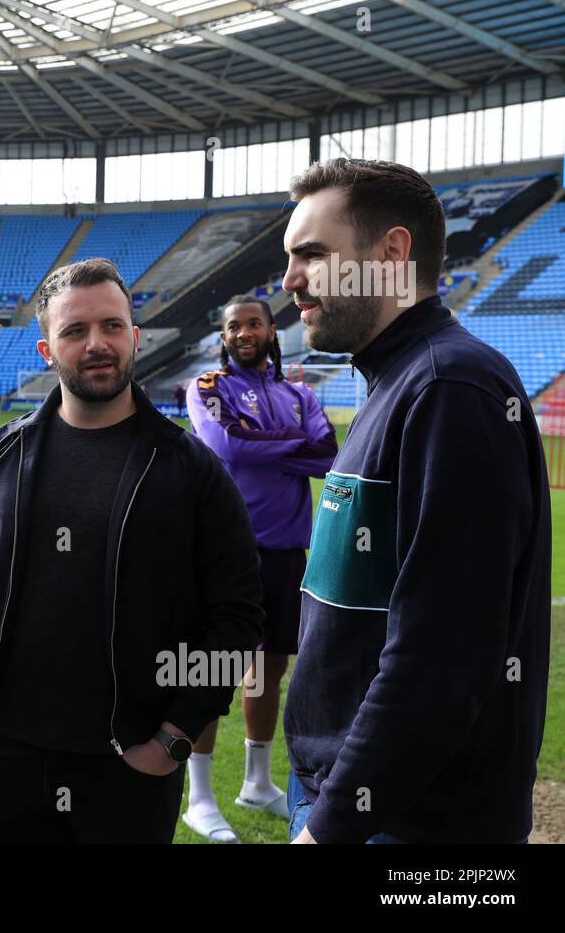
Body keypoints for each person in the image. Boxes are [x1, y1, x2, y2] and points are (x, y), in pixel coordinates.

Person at [0, 257, 264, 844]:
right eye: (74, 331)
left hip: (129, 765)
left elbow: (237, 615)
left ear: (135, 338)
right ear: (46, 350)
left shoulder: (190, 469)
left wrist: (173, 740)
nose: (97, 344)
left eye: (112, 326)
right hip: (1, 760)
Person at [281, 158, 551, 844]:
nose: (290, 281)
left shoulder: (448, 389)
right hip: (349, 799)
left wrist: (332, 824)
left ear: (392, 254)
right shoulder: (399, 381)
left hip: (404, 825)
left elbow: (439, 659)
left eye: (312, 254)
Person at [182, 296, 337, 843]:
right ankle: (198, 798)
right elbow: (229, 442)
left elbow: (329, 455)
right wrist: (286, 447)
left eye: (253, 323)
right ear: (222, 338)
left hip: (285, 554)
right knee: (216, 667)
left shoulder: (299, 394)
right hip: (224, 550)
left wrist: (263, 445)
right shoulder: (207, 389)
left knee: (269, 666)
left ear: (273, 330)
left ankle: (256, 782)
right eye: (233, 326)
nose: (244, 332)